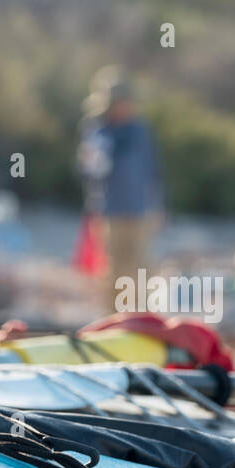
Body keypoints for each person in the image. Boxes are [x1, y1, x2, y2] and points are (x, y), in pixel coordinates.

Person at [77, 69, 164, 307]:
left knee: (139, 267)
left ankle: (139, 318)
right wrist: (94, 160)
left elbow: (151, 171)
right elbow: (87, 171)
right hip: (109, 210)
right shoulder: (98, 131)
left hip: (139, 210)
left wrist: (157, 206)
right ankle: (112, 319)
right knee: (112, 269)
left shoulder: (139, 131)